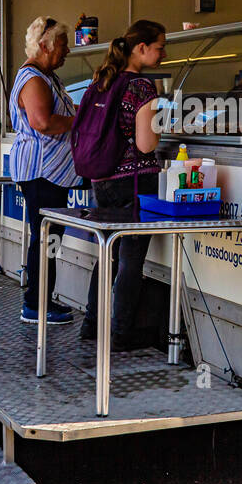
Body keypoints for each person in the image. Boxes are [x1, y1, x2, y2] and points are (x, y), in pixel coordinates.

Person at [80, 19, 167, 349]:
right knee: (131, 259)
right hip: (133, 182)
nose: (163, 53)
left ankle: (90, 324)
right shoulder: (142, 87)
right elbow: (146, 145)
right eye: (159, 47)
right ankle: (120, 334)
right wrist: (159, 123)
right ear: (141, 48)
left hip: (101, 180)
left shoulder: (103, 79)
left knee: (107, 253)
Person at [10, 16, 81, 324]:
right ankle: (36, 305)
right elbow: (43, 122)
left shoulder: (47, 76)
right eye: (62, 46)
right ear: (44, 45)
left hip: (51, 173)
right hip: (42, 173)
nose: (66, 52)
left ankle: (39, 301)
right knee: (45, 238)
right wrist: (84, 122)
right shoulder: (33, 78)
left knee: (47, 237)